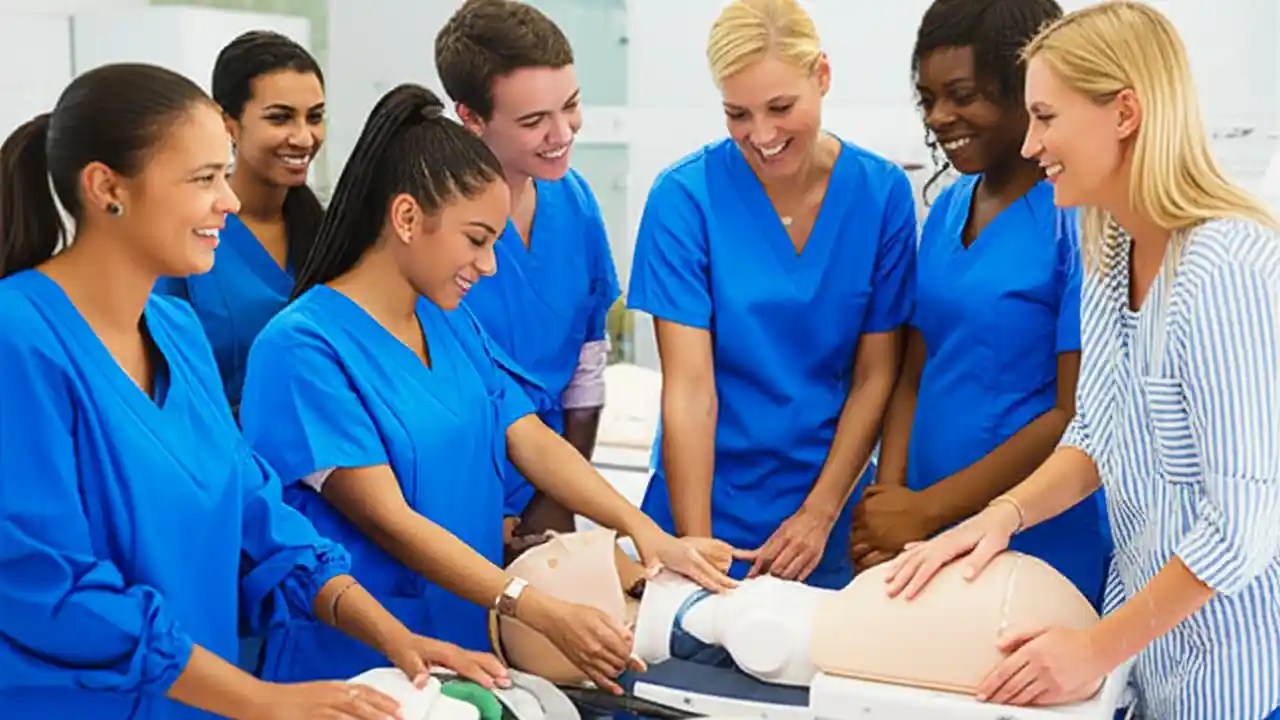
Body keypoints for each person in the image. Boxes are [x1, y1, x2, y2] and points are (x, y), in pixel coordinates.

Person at [0, 63, 503, 720]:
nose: (231, 201)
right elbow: (50, 588)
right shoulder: (19, 340)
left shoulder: (175, 330)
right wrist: (262, 700)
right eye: (205, 178)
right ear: (106, 188)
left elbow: (258, 514)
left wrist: (394, 637)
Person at [237, 82, 744, 696]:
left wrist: (646, 531)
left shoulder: (445, 318)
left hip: (467, 648)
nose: (489, 265)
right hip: (356, 665)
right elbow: (392, 522)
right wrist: (536, 608)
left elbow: (526, 434)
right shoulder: (301, 349)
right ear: (405, 217)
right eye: (476, 240)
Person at [885, 3, 1280, 718]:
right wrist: (1000, 515)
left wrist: (1096, 648)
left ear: (1124, 113)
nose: (1032, 144)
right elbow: (1095, 432)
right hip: (1151, 664)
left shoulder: (1227, 268)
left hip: (1242, 680)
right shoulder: (1111, 249)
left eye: (1047, 117)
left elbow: (1242, 526)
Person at [626, 0, 915, 589]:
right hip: (705, 499)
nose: (761, 135)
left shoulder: (881, 195)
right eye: (737, 113)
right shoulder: (684, 199)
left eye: (781, 107)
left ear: (823, 77)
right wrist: (695, 548)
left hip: (826, 511)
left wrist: (821, 512)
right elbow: (690, 390)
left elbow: (875, 375)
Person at [850, 0, 1111, 609]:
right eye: (929, 99)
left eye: (963, 95)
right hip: (919, 536)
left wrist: (926, 509)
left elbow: (1073, 415)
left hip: (1034, 538)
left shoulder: (1077, 218)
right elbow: (915, 373)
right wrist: (890, 502)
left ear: (1026, 88)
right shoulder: (946, 207)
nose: (942, 117)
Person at [435, 0, 621, 545]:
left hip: (554, 490)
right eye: (534, 120)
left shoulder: (576, 200)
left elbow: (588, 364)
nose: (562, 134)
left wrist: (556, 499)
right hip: (455, 493)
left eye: (571, 106)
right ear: (470, 117)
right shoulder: (433, 223)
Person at [155, 30, 325, 414]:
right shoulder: (185, 238)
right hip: (225, 458)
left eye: (314, 117)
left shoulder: (331, 235)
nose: (303, 137)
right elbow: (168, 387)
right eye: (280, 118)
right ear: (227, 123)